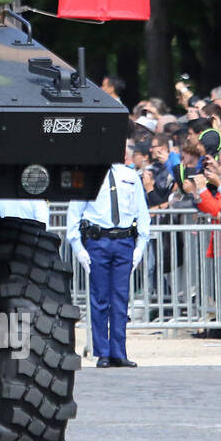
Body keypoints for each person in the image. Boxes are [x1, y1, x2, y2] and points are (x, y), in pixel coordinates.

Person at [66, 156, 151, 367]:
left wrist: (140, 245)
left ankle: (119, 351)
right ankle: (102, 352)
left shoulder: (130, 175)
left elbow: (141, 212)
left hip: (124, 240)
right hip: (98, 240)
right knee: (99, 298)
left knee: (121, 299)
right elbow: (74, 214)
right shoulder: (86, 175)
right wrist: (78, 247)